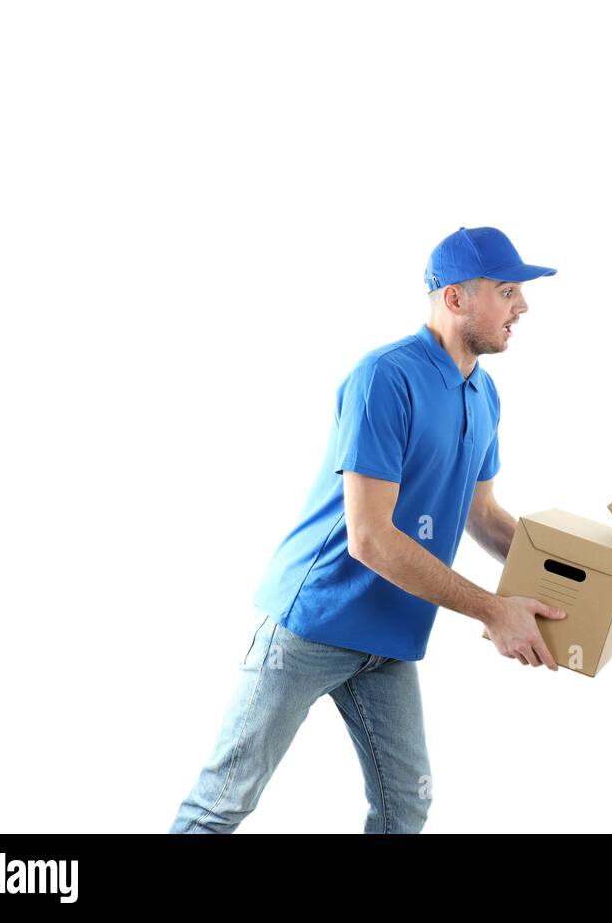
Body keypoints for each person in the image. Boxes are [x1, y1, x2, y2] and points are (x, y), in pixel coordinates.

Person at [168, 226, 567, 834]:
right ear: (455, 298)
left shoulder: (483, 393)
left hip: (389, 637)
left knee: (405, 808)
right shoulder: (385, 377)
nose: (524, 307)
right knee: (221, 804)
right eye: (508, 291)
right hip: (313, 623)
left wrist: (584, 571)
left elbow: (482, 516)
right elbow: (370, 538)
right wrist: (492, 610)